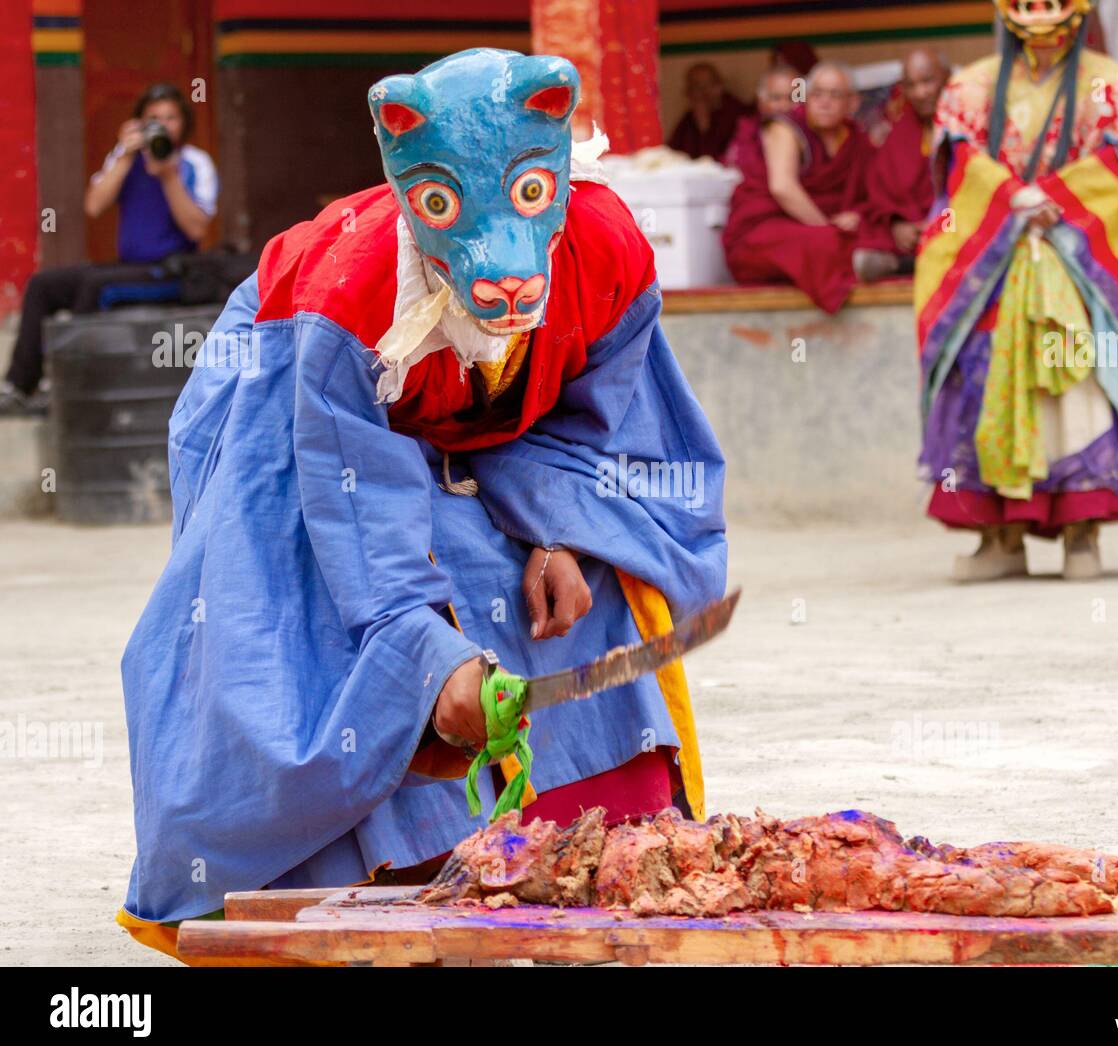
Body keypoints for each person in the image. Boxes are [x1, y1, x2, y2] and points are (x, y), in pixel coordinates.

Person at [114, 49, 727, 965]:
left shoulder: (608, 247)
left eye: (527, 200)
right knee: (297, 600)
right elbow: (357, 502)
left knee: (562, 570)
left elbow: (601, 421)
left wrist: (558, 531)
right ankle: (372, 864)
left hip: (478, 416)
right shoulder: (354, 292)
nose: (505, 277)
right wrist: (429, 657)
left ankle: (579, 830)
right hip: (289, 375)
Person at [915, 0, 1118, 581]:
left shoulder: (1112, 87)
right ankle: (999, 538)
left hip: (1080, 256)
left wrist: (1059, 200)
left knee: (1078, 382)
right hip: (994, 258)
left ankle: (1081, 534)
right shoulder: (971, 87)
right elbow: (960, 171)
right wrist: (1010, 198)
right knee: (980, 376)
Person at [0, 83, 217, 415]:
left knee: (96, 288)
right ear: (139, 124)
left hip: (173, 271)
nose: (163, 125)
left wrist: (168, 177)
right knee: (44, 285)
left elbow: (197, 227)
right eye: (154, 118)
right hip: (129, 265)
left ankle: (63, 383)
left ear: (183, 123)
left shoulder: (194, 163)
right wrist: (125, 153)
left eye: (171, 118)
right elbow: (93, 205)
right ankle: (20, 385)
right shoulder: (125, 157)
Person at [722, 62, 878, 313]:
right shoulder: (785, 128)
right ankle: (856, 263)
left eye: (835, 95)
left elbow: (874, 191)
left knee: (875, 229)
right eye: (817, 94)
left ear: (853, 103)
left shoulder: (856, 140)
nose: (824, 102)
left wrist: (859, 214)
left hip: (816, 224)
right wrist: (828, 227)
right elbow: (782, 187)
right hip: (765, 228)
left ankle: (870, 260)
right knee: (824, 242)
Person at [856, 48, 951, 280]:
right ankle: (916, 258)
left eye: (928, 81)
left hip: (952, 220)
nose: (920, 93)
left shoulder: (967, 122)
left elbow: (978, 187)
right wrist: (897, 224)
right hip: (912, 228)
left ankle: (902, 264)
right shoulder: (900, 133)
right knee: (862, 232)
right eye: (911, 85)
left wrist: (937, 222)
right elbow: (880, 191)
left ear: (947, 77)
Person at [667, 62, 750, 161]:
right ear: (688, 93)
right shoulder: (688, 119)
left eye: (709, 85)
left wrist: (704, 128)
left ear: (720, 86)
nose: (704, 93)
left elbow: (721, 161)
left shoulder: (737, 115)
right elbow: (672, 154)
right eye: (696, 87)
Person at [722, 65, 798, 170]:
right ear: (761, 101)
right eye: (776, 98)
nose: (784, 106)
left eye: (792, 98)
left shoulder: (810, 138)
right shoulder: (748, 132)